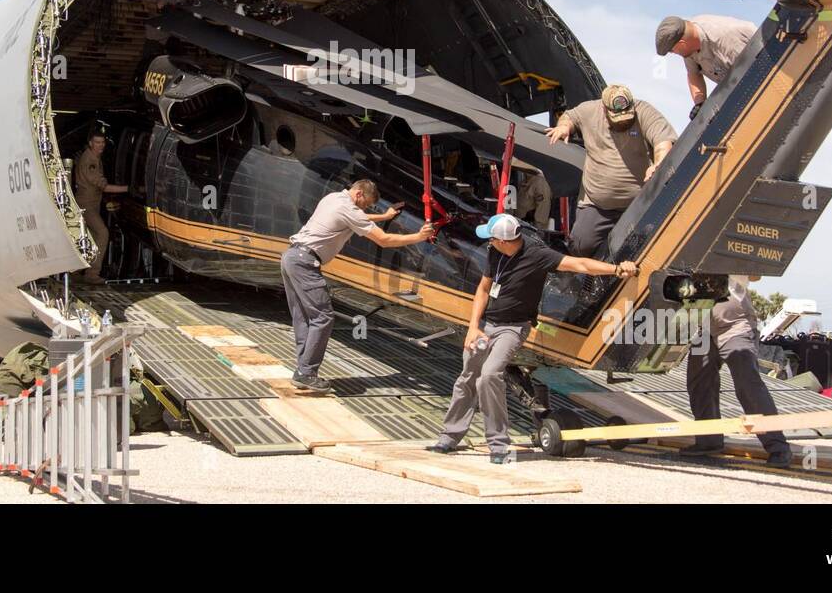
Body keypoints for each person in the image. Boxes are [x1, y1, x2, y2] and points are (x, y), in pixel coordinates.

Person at [428, 214, 637, 463]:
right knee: (467, 380)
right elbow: (483, 289)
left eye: (491, 238)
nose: (488, 243)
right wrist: (473, 327)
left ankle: (498, 445)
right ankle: (449, 437)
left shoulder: (538, 255)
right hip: (487, 325)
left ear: (504, 240)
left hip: (513, 328)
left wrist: (616, 270)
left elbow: (579, 264)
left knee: (489, 376)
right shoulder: (496, 253)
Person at [282, 180, 434, 392]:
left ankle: (304, 370)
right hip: (306, 263)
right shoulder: (350, 209)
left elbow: (356, 218)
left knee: (304, 317)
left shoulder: (333, 198)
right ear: (359, 194)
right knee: (323, 317)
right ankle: (306, 373)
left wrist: (383, 217)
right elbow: (383, 240)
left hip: (291, 257)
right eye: (365, 204)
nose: (364, 209)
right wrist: (418, 237)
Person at [545, 84, 676, 258]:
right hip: (597, 204)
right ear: (604, 109)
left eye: (626, 115)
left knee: (652, 247)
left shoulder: (644, 111)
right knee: (580, 246)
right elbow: (570, 117)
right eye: (616, 116)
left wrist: (658, 164)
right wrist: (564, 127)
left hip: (638, 203)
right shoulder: (589, 111)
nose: (622, 120)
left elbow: (663, 140)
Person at [683, 275, 793, 468]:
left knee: (747, 382)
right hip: (705, 328)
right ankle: (709, 440)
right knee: (699, 380)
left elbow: (755, 274)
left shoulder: (723, 249)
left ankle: (778, 447)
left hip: (736, 326)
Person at [655, 14, 757, 119]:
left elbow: (755, 73)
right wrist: (700, 103)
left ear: (682, 44)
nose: (673, 53)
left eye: (672, 50)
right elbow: (693, 74)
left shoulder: (726, 39)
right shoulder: (690, 45)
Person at [75, 129, 129, 282]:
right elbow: (103, 186)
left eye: (103, 142)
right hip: (87, 204)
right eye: (97, 142)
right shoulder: (90, 160)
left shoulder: (95, 158)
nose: (101, 145)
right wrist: (128, 189)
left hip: (93, 202)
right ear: (91, 143)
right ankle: (92, 274)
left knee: (89, 237)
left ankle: (77, 271)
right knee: (102, 233)